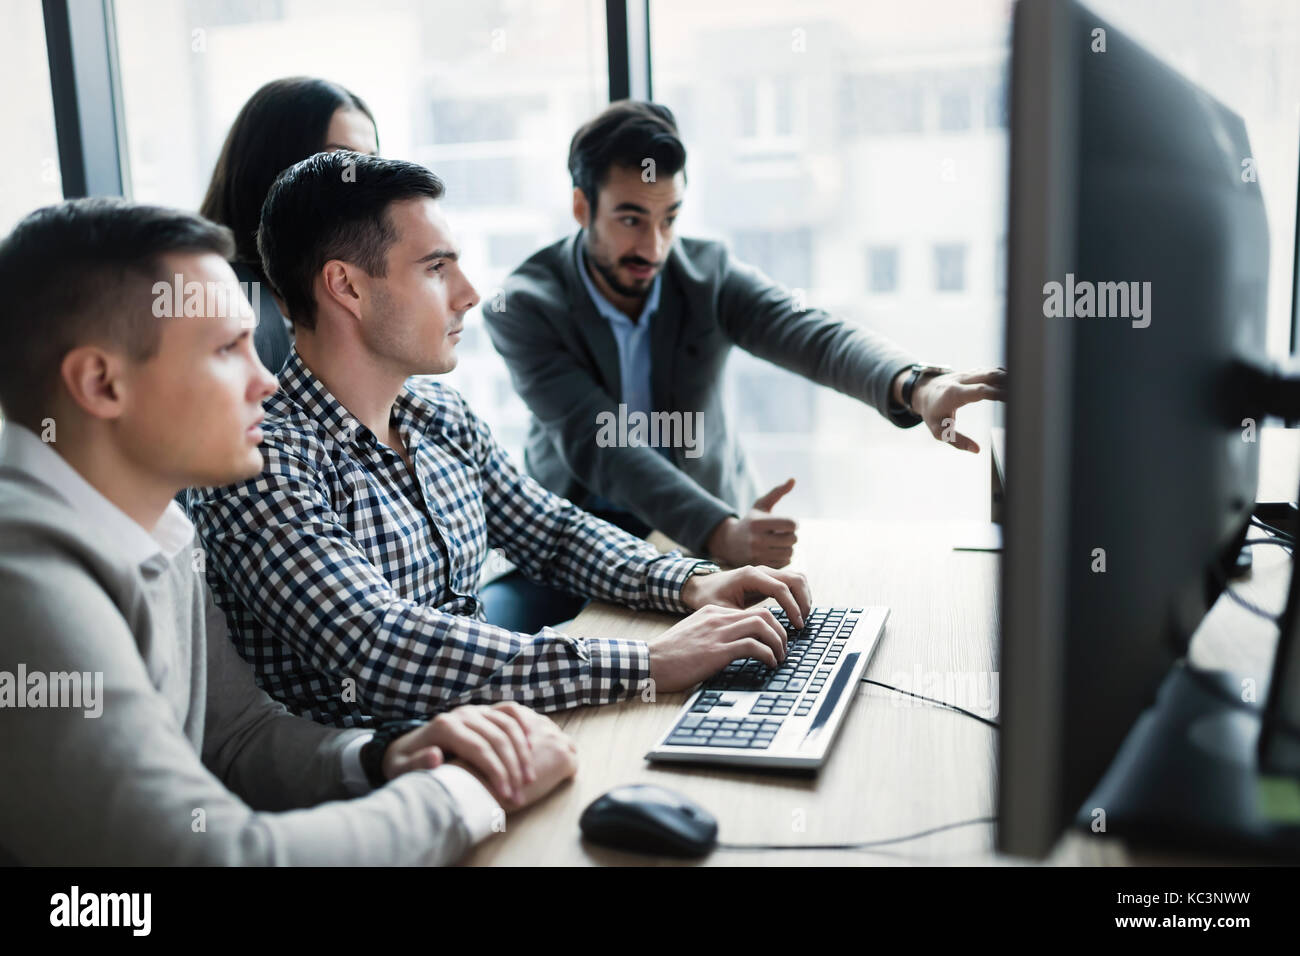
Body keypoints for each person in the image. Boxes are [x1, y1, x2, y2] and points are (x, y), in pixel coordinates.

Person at [0, 198, 576, 865]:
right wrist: (466, 795)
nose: (267, 381)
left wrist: (385, 757)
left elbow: (236, 737)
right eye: (226, 349)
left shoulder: (158, 524)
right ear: (101, 384)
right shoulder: (24, 579)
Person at [189, 150, 811, 729]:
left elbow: (550, 533)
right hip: (385, 797)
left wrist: (691, 582)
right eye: (436, 268)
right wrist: (649, 663)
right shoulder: (259, 457)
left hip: (502, 742)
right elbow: (377, 647)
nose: (469, 294)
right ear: (346, 287)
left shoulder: (437, 412)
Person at [486, 101, 1007, 568]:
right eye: (630, 220)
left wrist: (916, 385)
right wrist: (720, 533)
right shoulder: (526, 307)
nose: (655, 247)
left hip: (707, 527)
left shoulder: (706, 275)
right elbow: (600, 441)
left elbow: (814, 337)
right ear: (582, 208)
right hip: (585, 536)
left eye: (669, 219)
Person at [199, 76, 380, 376]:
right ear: (275, 168)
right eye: (341, 162)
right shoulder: (218, 303)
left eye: (370, 164)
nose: (362, 183)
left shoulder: (343, 285)